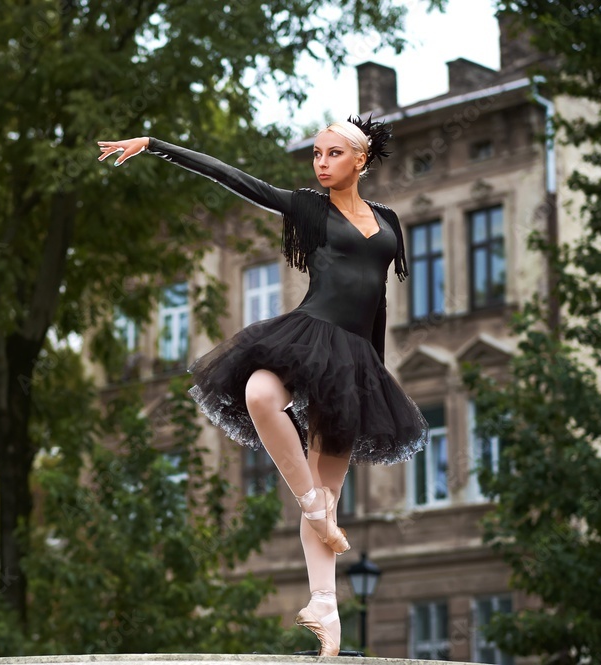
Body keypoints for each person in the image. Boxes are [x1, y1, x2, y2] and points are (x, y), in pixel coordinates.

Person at [97, 116, 429, 657]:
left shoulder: (388, 220)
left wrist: (374, 372)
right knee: (260, 394)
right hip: (310, 335)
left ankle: (324, 608)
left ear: (361, 159)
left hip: (356, 358)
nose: (321, 163)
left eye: (333, 153)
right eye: (316, 153)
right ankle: (310, 503)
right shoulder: (308, 208)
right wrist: (155, 145)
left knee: (332, 494)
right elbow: (235, 178)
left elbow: (378, 301)